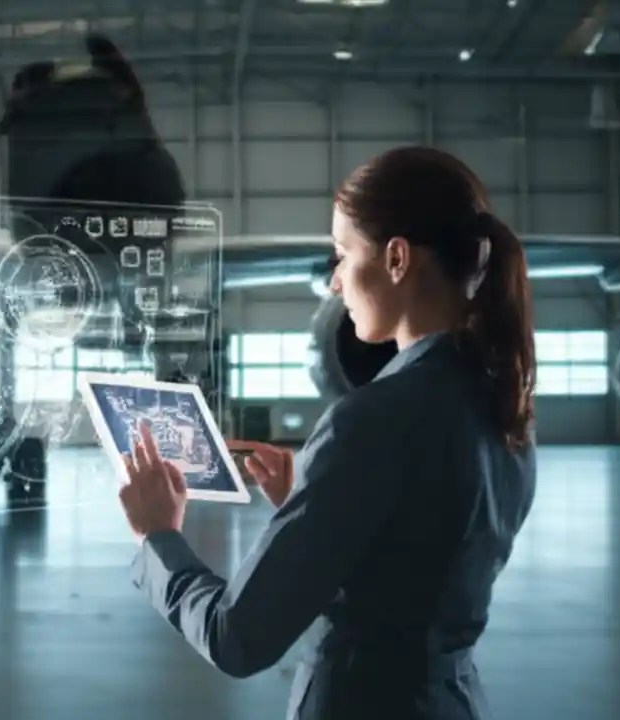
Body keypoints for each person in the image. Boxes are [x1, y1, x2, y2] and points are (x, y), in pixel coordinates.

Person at [117, 146, 538, 720]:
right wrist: (313, 503)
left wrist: (158, 537)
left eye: (341, 255)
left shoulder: (369, 419)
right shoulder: (506, 410)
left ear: (396, 259)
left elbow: (236, 638)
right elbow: (423, 559)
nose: (336, 282)